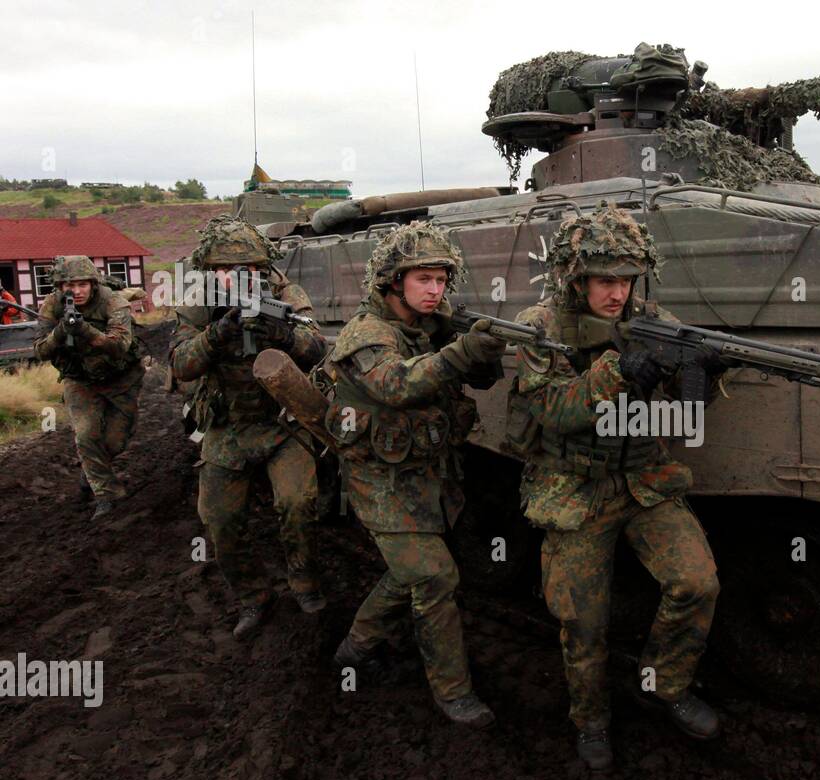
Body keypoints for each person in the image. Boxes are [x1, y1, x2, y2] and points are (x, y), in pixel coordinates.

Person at [508, 205, 723, 770]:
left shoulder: (650, 317)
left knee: (696, 582)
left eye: (627, 281)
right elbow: (553, 411)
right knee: (582, 619)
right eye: (606, 281)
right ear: (577, 279)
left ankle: (664, 683)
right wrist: (617, 372)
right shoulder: (541, 327)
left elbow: (687, 410)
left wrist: (704, 369)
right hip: (573, 487)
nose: (618, 293)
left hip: (645, 481)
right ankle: (590, 719)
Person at [322, 221, 505, 729]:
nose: (435, 290)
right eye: (423, 278)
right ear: (391, 281)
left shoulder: (431, 326)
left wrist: (479, 355)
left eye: (442, 280)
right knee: (434, 575)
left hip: (425, 472)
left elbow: (472, 374)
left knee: (409, 570)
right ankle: (454, 692)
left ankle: (355, 647)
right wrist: (458, 353)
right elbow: (396, 385)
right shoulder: (367, 335)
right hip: (378, 480)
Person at [169, 215, 327, 638]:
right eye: (227, 269)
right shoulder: (199, 303)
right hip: (227, 427)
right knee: (219, 519)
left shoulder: (285, 294)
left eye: (253, 269)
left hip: (282, 424)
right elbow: (181, 366)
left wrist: (285, 334)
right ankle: (253, 597)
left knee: (299, 504)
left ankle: (306, 582)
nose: (241, 277)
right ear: (210, 270)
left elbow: (318, 350)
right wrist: (218, 333)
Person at [31, 255, 145, 519]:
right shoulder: (51, 306)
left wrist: (85, 331)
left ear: (93, 284)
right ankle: (106, 494)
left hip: (121, 380)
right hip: (80, 380)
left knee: (116, 440)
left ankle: (91, 470)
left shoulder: (112, 301)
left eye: (83, 284)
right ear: (59, 288)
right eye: (69, 285)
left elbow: (119, 346)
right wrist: (60, 331)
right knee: (86, 436)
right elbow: (39, 351)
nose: (77, 291)